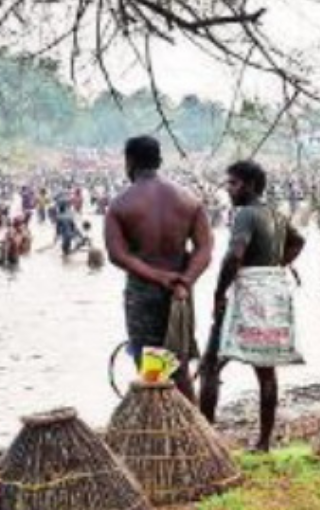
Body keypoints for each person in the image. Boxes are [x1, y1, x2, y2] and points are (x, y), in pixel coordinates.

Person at [200, 160, 305, 452]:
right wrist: (277, 265)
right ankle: (263, 443)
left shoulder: (245, 214)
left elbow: (234, 255)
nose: (228, 188)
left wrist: (219, 294)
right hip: (273, 293)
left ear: (249, 185)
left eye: (232, 183)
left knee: (210, 365)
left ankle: (207, 441)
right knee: (266, 369)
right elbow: (299, 242)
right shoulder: (275, 214)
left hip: (248, 293)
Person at [104, 135, 213, 403]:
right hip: (180, 294)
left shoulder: (121, 204)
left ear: (129, 162)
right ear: (159, 161)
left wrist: (158, 277)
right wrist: (185, 281)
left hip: (145, 292)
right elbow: (205, 248)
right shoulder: (189, 200)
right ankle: (192, 430)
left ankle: (164, 431)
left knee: (151, 367)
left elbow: (118, 255)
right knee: (179, 365)